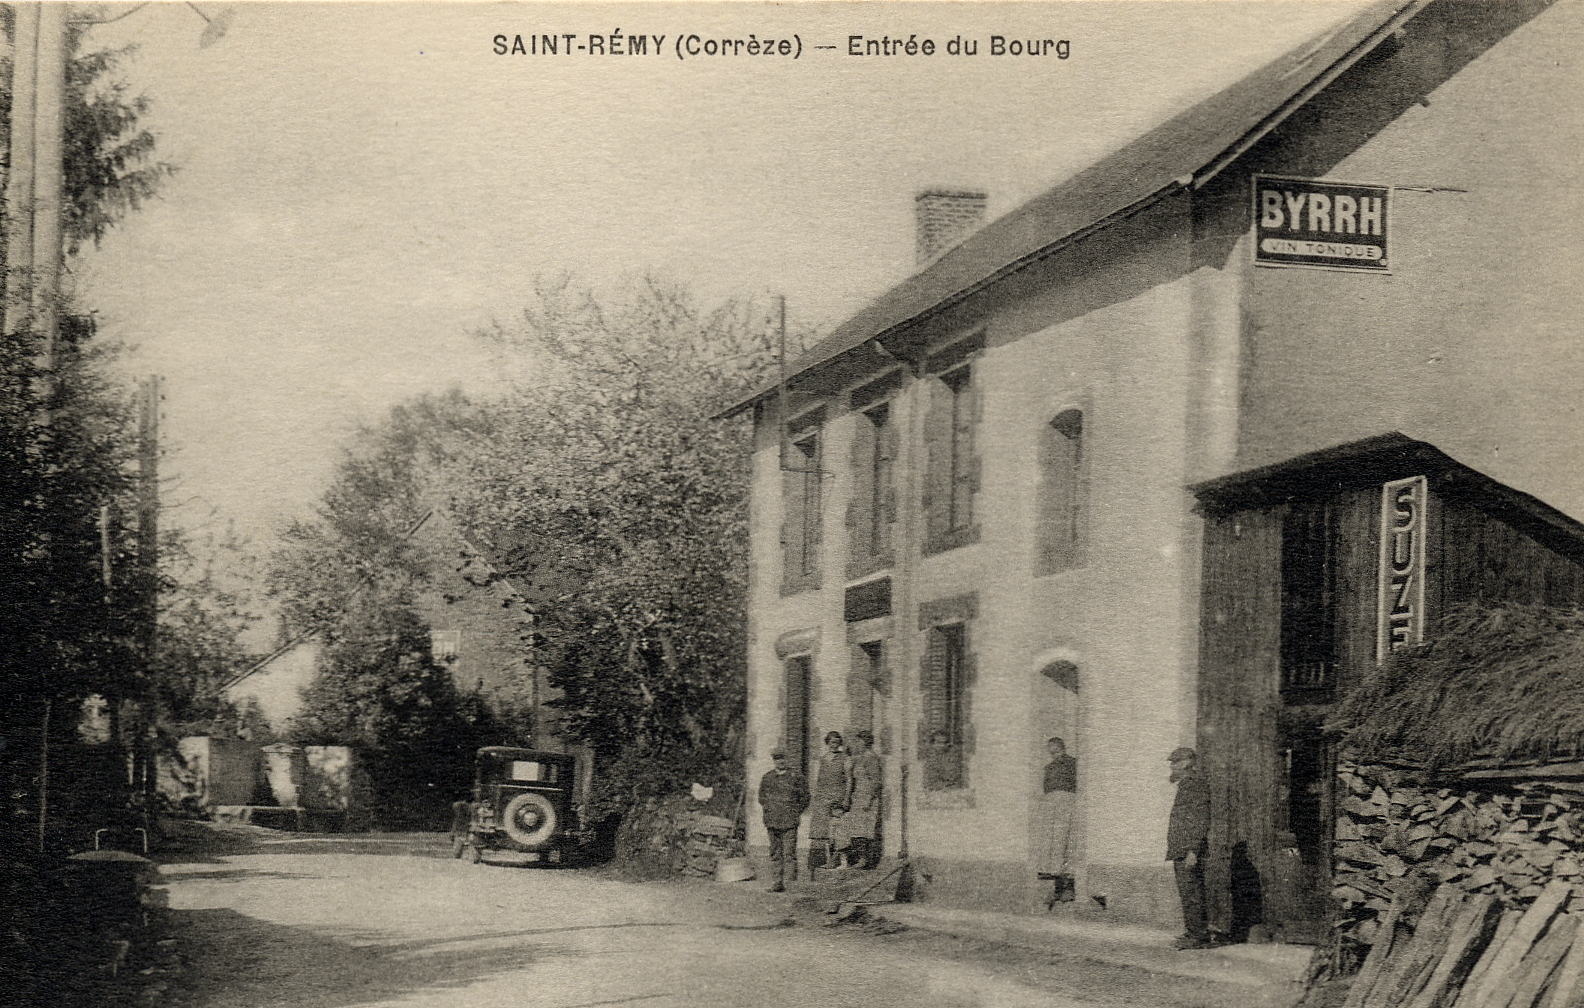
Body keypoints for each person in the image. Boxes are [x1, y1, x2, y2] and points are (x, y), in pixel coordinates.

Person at [1166, 746, 1212, 949]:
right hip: (1181, 847)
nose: (1172, 766)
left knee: (1191, 892)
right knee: (1187, 892)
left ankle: (1197, 936)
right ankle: (1193, 932)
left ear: (1186, 763)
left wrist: (1193, 850)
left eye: (1175, 762)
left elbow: (1200, 818)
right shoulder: (1186, 784)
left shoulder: (1196, 785)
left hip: (1188, 849)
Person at [759, 745, 808, 892]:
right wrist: (769, 809)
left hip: (789, 821)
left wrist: (795, 811)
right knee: (775, 853)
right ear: (774, 760)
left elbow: (805, 797)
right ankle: (777, 883)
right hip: (772, 820)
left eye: (783, 758)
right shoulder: (767, 778)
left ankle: (791, 885)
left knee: (789, 853)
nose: (780, 761)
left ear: (788, 759)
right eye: (777, 758)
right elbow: (761, 797)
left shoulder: (796, 777)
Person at [1037, 736, 1078, 906]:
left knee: (1065, 842)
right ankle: (1056, 889)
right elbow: (1046, 788)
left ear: (1061, 747)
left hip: (1067, 803)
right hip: (1052, 806)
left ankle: (1068, 889)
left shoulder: (1072, 763)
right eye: (1050, 749)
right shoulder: (1049, 768)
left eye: (1054, 748)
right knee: (1054, 846)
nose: (1052, 751)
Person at [808, 731, 850, 871]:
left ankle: (842, 861)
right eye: (831, 742)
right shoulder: (823, 759)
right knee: (826, 832)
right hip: (823, 799)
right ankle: (829, 860)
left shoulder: (845, 758)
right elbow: (819, 780)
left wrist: (846, 798)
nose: (834, 745)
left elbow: (849, 780)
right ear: (827, 743)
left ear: (840, 744)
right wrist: (817, 798)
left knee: (838, 831)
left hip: (837, 799)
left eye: (836, 743)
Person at [846, 730, 883, 869]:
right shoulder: (860, 758)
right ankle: (860, 859)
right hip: (858, 796)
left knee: (865, 830)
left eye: (859, 741)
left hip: (867, 798)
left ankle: (866, 860)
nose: (857, 744)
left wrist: (869, 799)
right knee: (857, 829)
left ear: (866, 742)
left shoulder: (871, 758)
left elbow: (876, 781)